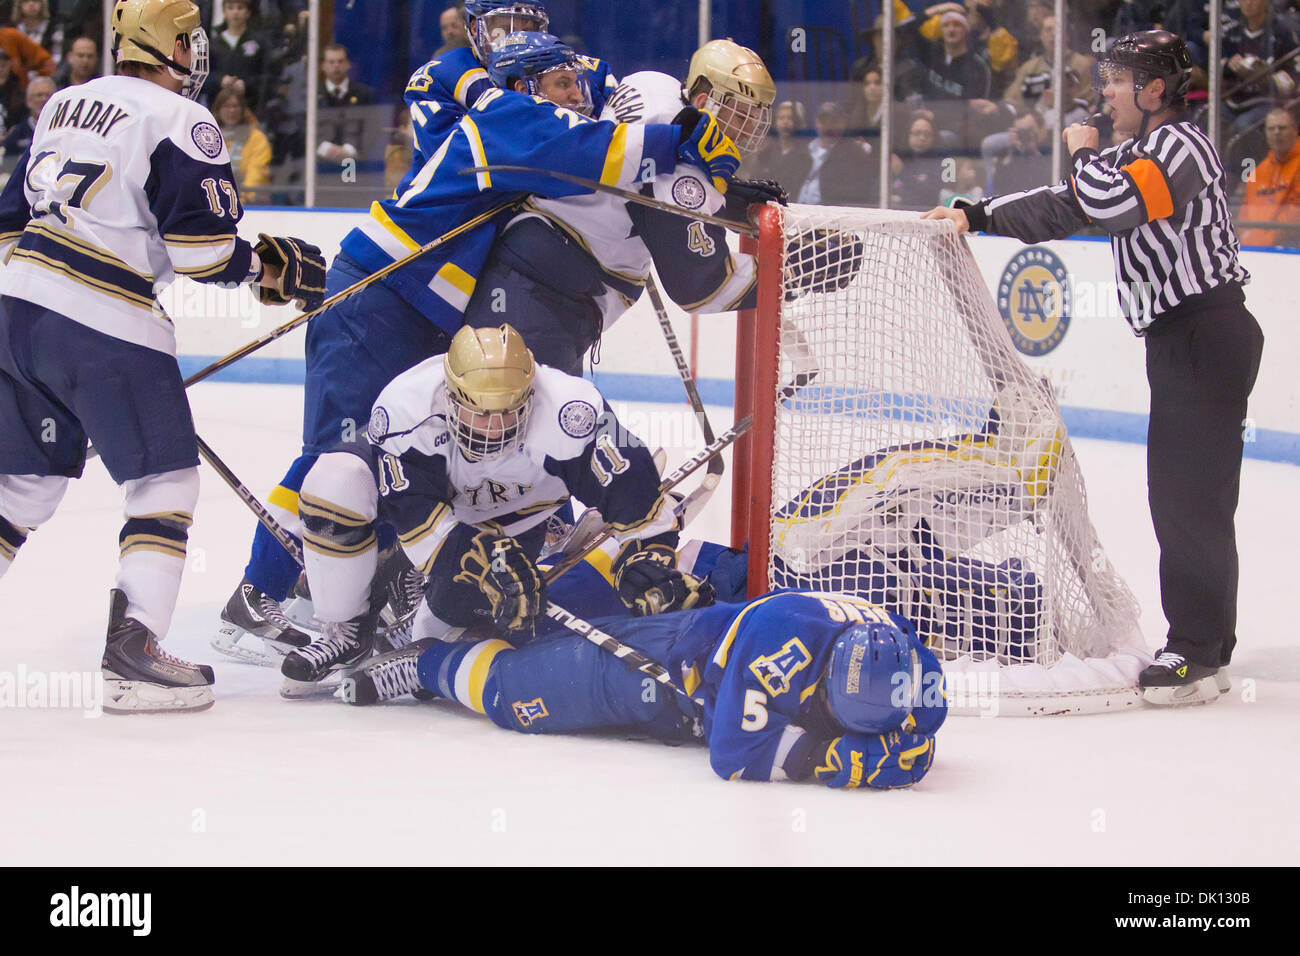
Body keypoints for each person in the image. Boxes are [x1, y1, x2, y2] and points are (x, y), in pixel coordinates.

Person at [211, 31, 742, 665]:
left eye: (576, 83)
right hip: (381, 293)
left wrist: (723, 194)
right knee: (339, 454)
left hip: (416, 304)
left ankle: (369, 590)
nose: (579, 95)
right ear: (525, 89)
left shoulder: (521, 116)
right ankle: (257, 594)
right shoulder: (508, 121)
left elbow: (596, 138)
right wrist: (682, 134)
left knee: (395, 452)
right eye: (562, 85)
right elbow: (594, 149)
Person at [0, 0, 325, 714]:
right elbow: (202, 254)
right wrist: (271, 267)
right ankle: (133, 652)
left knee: (19, 488)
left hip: (16, 310)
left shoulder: (63, 101)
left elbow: (9, 219)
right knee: (165, 483)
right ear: (163, 42)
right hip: (108, 320)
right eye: (188, 38)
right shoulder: (182, 118)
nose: (196, 51)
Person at [923, 30, 1265, 706]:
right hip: (1187, 337)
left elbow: (1110, 205)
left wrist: (1083, 154)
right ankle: (1210, 648)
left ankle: (1195, 652)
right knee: (1193, 498)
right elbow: (1064, 203)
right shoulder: (1134, 155)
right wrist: (977, 214)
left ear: (1156, 89)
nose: (1105, 92)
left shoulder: (1181, 147)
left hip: (1204, 331)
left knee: (1185, 499)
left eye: (1118, 79)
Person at [280, 323, 712, 686]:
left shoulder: (571, 411)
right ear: (450, 396)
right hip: (439, 513)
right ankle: (347, 625)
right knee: (334, 480)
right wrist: (475, 559)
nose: (493, 428)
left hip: (517, 520)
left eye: (508, 412)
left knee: (448, 631)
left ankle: (415, 596)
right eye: (478, 413)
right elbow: (417, 521)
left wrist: (647, 558)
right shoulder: (407, 406)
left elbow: (636, 498)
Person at [343, 587, 945, 791]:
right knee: (514, 696)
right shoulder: (779, 652)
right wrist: (840, 759)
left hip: (703, 669)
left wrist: (909, 741)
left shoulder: (905, 661)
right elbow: (736, 756)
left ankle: (470, 628)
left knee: (551, 640)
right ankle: (427, 662)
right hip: (663, 668)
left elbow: (929, 713)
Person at [460, 37, 778, 375]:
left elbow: (641, 167)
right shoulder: (679, 171)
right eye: (742, 113)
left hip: (536, 273)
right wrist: (795, 271)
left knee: (540, 417)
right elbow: (703, 286)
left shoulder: (653, 83)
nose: (750, 126)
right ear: (704, 101)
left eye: (757, 114)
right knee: (537, 419)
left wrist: (722, 198)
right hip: (540, 297)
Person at [1238, 105, 1300, 246]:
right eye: (1271, 128)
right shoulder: (1258, 171)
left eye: (1282, 128)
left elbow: (1296, 214)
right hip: (1258, 248)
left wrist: (1263, 239)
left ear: (1295, 130)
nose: (1276, 132)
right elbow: (1245, 214)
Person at [212, 86, 270, 203]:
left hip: (250, 205)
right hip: (215, 202)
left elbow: (256, 173)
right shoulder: (210, 137)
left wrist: (242, 200)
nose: (231, 110)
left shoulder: (256, 137)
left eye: (235, 106)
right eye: (226, 106)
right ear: (218, 110)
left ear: (243, 110)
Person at [747, 99, 811, 195]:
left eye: (790, 118)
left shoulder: (804, 155)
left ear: (799, 123)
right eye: (781, 118)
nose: (785, 122)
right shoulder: (766, 150)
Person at [0, 72, 51, 162]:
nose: (44, 99)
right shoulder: (16, 133)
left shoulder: (62, 129)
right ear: (28, 101)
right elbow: (7, 167)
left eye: (48, 95)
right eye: (39, 95)